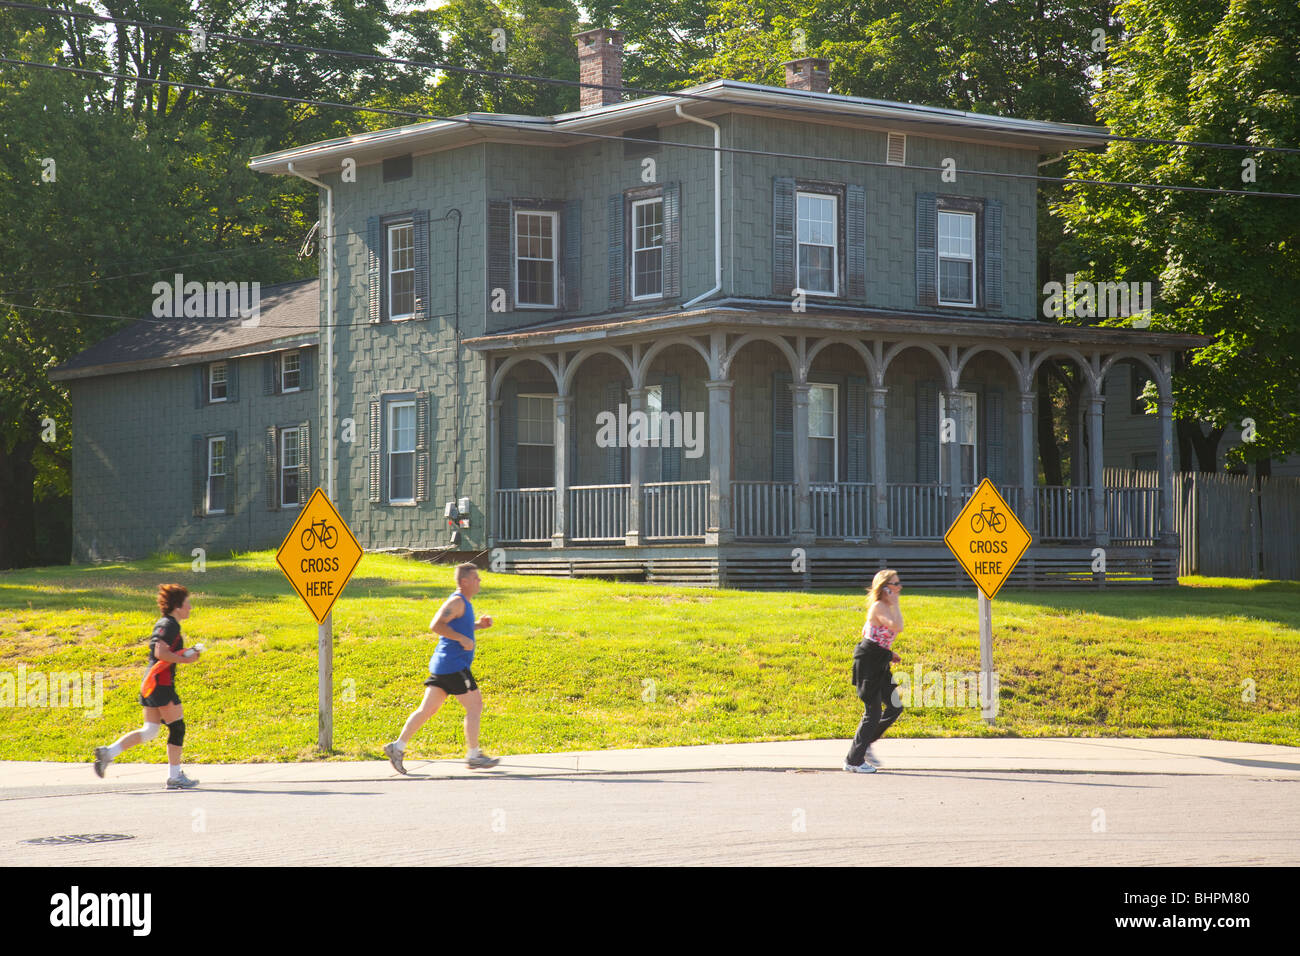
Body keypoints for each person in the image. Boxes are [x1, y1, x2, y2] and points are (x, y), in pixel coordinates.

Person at [384, 563, 499, 773]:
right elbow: (436, 625)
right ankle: (474, 755)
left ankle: (397, 747)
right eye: (475, 578)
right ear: (464, 581)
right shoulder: (456, 601)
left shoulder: (463, 603)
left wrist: (477, 626)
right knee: (475, 706)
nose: (479, 581)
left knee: (427, 709)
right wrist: (463, 638)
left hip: (444, 665)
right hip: (454, 665)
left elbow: (456, 626)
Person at [94, 583, 202, 788]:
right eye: (188, 604)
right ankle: (175, 776)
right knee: (177, 728)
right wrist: (185, 659)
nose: (190, 608)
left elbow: (162, 652)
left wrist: (183, 653)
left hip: (151, 683)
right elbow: (160, 653)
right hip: (161, 684)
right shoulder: (170, 625)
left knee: (150, 730)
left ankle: (108, 753)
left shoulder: (164, 623)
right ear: (177, 606)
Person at [844, 569, 905, 774]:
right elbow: (898, 626)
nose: (899, 587)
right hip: (868, 662)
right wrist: (895, 603)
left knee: (895, 706)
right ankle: (853, 760)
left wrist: (889, 654)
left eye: (898, 583)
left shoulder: (887, 606)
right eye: (895, 584)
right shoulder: (880, 606)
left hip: (880, 660)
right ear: (885, 587)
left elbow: (874, 635)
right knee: (873, 712)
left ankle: (866, 743)